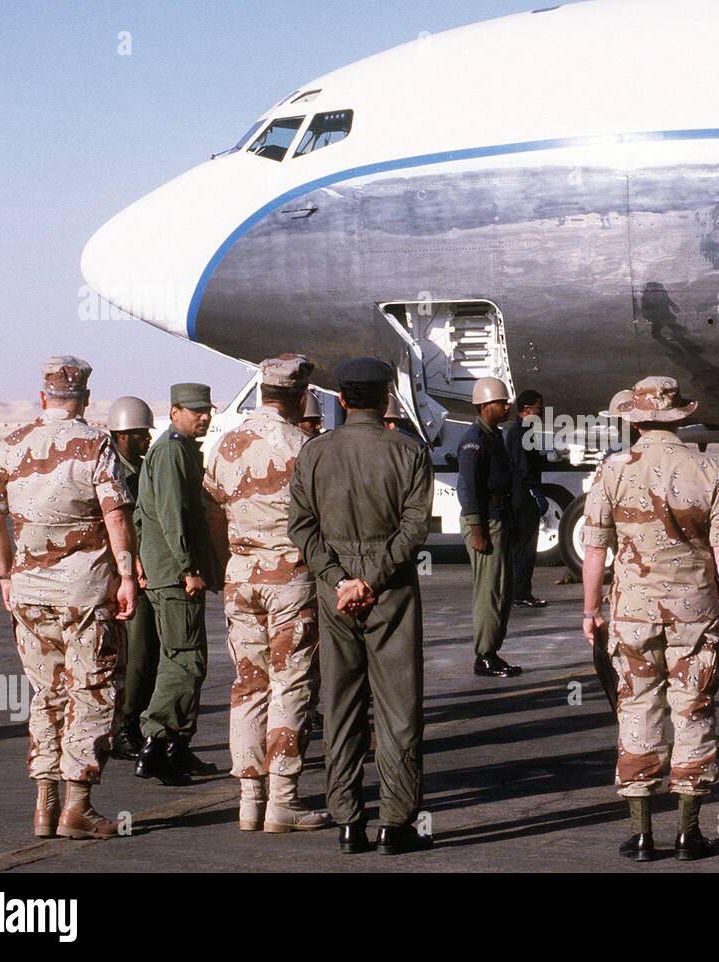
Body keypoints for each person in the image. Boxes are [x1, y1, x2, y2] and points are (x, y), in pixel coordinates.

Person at [581, 376, 719, 862]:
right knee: (693, 711)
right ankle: (688, 832)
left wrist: (591, 609)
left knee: (637, 709)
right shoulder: (708, 469)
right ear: (680, 417)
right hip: (695, 613)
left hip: (632, 613)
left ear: (634, 417)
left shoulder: (612, 471)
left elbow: (594, 550)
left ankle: (642, 833)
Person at [0, 357, 138, 839]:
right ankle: (78, 807)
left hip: (29, 594)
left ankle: (44, 805)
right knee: (89, 692)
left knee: (46, 694)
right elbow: (115, 514)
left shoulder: (12, 444)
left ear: (43, 396)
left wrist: (6, 575)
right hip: (83, 593)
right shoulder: (96, 443)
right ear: (85, 399)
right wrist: (127, 574)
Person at [288, 357, 433, 855]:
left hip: (336, 591)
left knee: (341, 704)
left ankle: (349, 821)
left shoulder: (314, 453)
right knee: (398, 707)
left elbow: (301, 527)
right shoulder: (408, 452)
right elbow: (415, 529)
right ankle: (396, 824)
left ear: (343, 399)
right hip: (390, 588)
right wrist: (370, 579)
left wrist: (339, 580)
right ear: (387, 397)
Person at [205, 355, 330, 833]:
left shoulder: (227, 443)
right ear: (299, 397)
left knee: (248, 684)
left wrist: (227, 565)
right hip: (290, 579)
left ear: (261, 392)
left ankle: (248, 800)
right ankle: (283, 800)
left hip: (241, 578)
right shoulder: (304, 446)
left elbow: (210, 508)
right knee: (291, 684)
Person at [133, 383, 223, 786]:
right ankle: (155, 743)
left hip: (168, 571)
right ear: (174, 412)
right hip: (175, 575)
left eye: (207, 411)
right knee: (184, 660)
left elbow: (141, 515)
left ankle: (177, 748)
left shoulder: (180, 448)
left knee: (187, 658)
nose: (203, 417)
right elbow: (172, 515)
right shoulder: (171, 451)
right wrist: (187, 568)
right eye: (195, 411)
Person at [105, 396, 159, 761]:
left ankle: (134, 721)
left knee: (147, 652)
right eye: (140, 434)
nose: (147, 440)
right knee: (134, 655)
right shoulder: (113, 473)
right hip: (122, 576)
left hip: (140, 572)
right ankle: (123, 726)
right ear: (122, 435)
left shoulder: (138, 470)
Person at [457, 376, 522, 677]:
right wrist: (477, 530)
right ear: (485, 407)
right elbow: (468, 488)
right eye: (500, 402)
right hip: (486, 521)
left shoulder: (494, 436)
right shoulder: (475, 441)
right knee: (489, 592)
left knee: (502, 590)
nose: (507, 406)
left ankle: (492, 650)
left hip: (499, 516)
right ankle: (484, 655)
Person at [505, 389, 549, 609]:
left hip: (518, 496)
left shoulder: (516, 431)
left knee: (519, 547)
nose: (541, 411)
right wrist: (536, 494)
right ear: (528, 409)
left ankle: (516, 591)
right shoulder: (524, 433)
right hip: (524, 497)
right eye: (539, 407)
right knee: (526, 547)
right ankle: (521, 592)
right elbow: (524, 468)